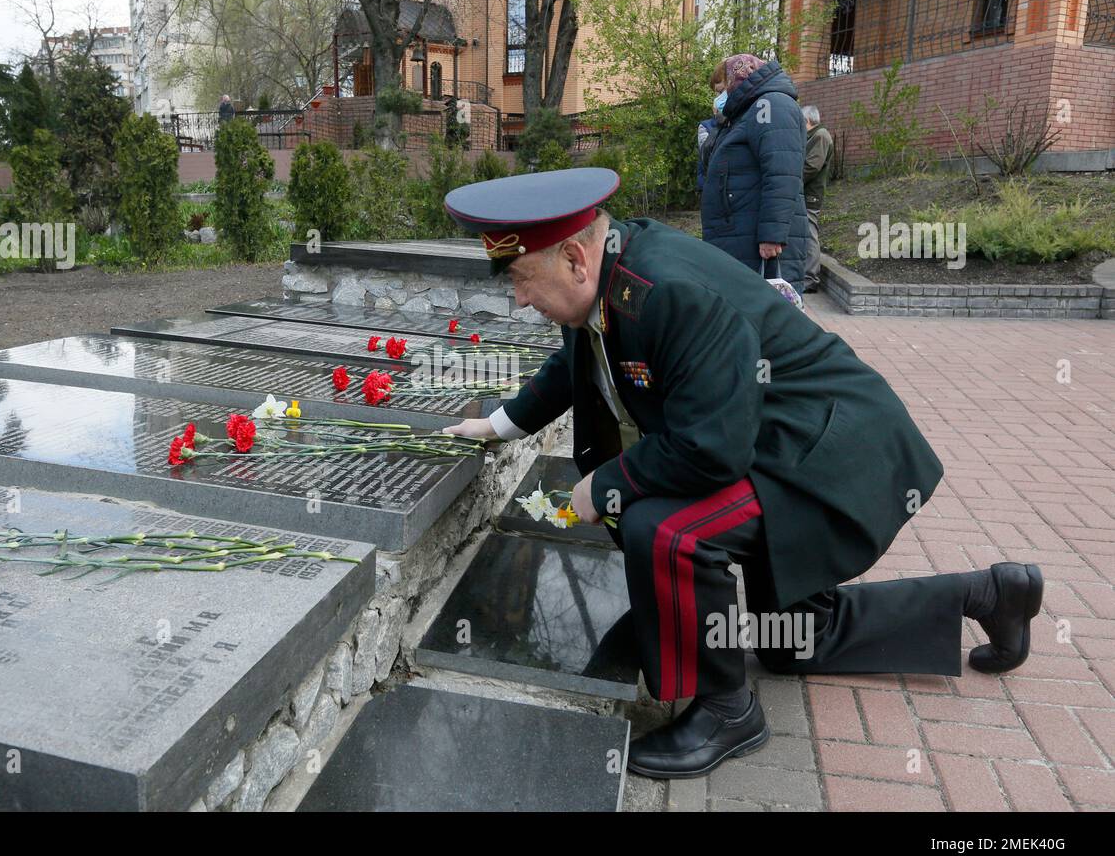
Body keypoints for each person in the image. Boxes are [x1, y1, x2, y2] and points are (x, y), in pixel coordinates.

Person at [441, 166, 1045, 778]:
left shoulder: (667, 291)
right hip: (782, 441)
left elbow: (709, 450)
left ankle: (728, 711)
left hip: (824, 453)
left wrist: (606, 485)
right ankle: (991, 594)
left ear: (573, 257)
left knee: (665, 526)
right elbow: (578, 359)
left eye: (521, 277)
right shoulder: (611, 275)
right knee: (790, 641)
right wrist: (497, 426)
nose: (518, 296)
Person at [700, 54, 810, 295]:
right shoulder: (745, 113)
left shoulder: (772, 105)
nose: (719, 97)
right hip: (741, 235)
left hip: (761, 248)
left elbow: (782, 173)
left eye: (721, 89)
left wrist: (772, 236)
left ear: (737, 80)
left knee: (770, 323)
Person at [801, 105, 834, 294]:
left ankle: (810, 278)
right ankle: (807, 276)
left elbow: (811, 166)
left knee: (809, 235)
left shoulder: (820, 136)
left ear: (807, 120)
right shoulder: (815, 136)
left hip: (810, 194)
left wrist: (792, 179)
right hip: (807, 193)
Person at [695, 63, 726, 196]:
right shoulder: (706, 126)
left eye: (722, 92)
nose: (719, 98)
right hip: (710, 188)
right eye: (717, 93)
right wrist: (721, 121)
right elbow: (708, 155)